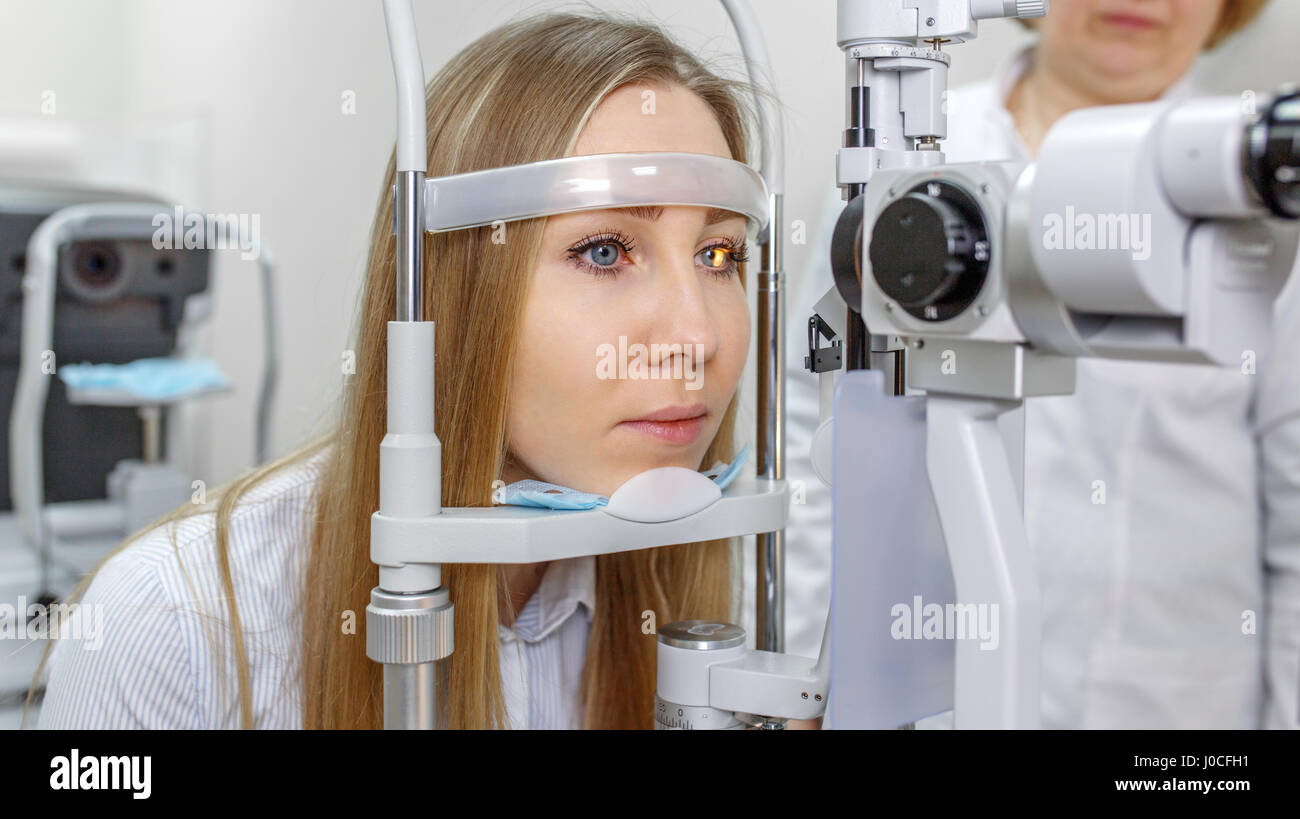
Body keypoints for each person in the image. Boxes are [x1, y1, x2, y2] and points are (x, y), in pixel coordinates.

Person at [31, 12, 764, 730]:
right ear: (455, 291)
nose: (696, 336)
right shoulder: (172, 623)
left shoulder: (669, 589)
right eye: (605, 250)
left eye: (720, 255)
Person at [782, 0, 1298, 728]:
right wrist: (811, 676)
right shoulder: (915, 149)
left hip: (1176, 722)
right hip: (926, 694)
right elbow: (814, 429)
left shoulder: (1258, 194)